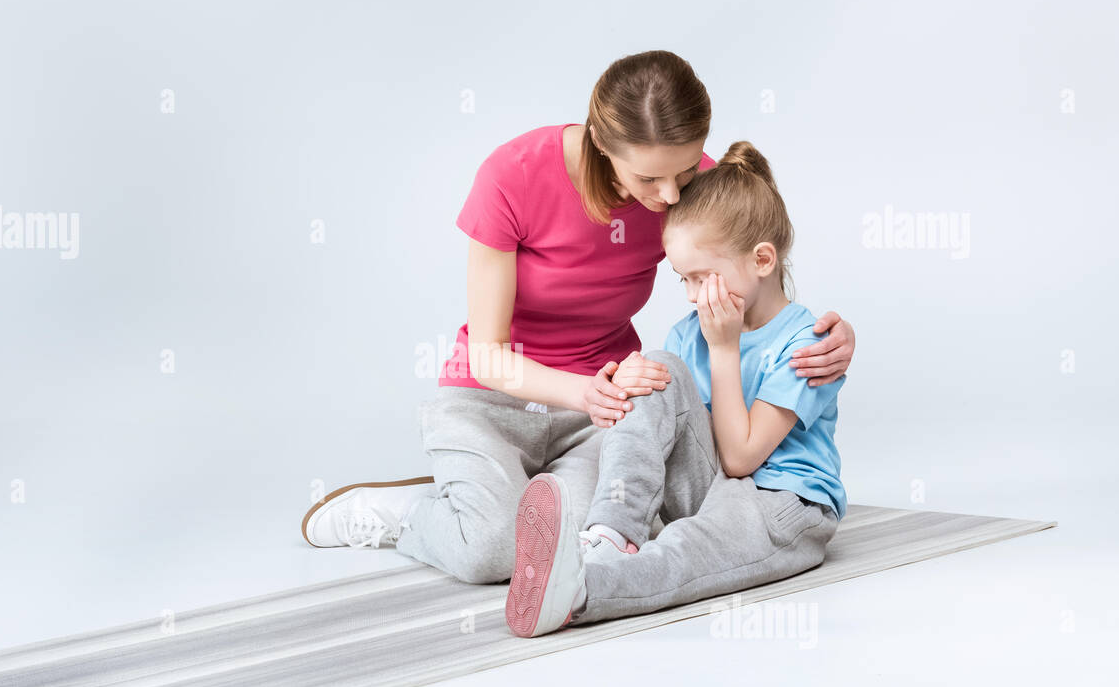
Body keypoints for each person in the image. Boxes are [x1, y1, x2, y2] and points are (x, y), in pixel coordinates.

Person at [302, 51, 856, 588]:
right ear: (600, 143)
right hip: (497, 395)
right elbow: (488, 354)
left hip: (606, 409)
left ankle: (491, 493)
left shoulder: (686, 185)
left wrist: (826, 338)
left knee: (579, 541)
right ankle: (411, 513)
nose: (667, 197)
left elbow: (753, 258)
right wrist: (587, 391)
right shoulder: (512, 175)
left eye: (686, 172)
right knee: (490, 551)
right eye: (649, 180)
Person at [505, 140, 846, 637]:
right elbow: (677, 435)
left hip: (782, 504)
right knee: (654, 366)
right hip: (712, 489)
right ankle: (609, 535)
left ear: (762, 260)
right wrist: (627, 384)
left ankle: (580, 592)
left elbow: (741, 459)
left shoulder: (806, 345)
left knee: (688, 550)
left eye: (702, 277)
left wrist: (725, 349)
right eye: (681, 279)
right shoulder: (692, 332)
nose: (691, 295)